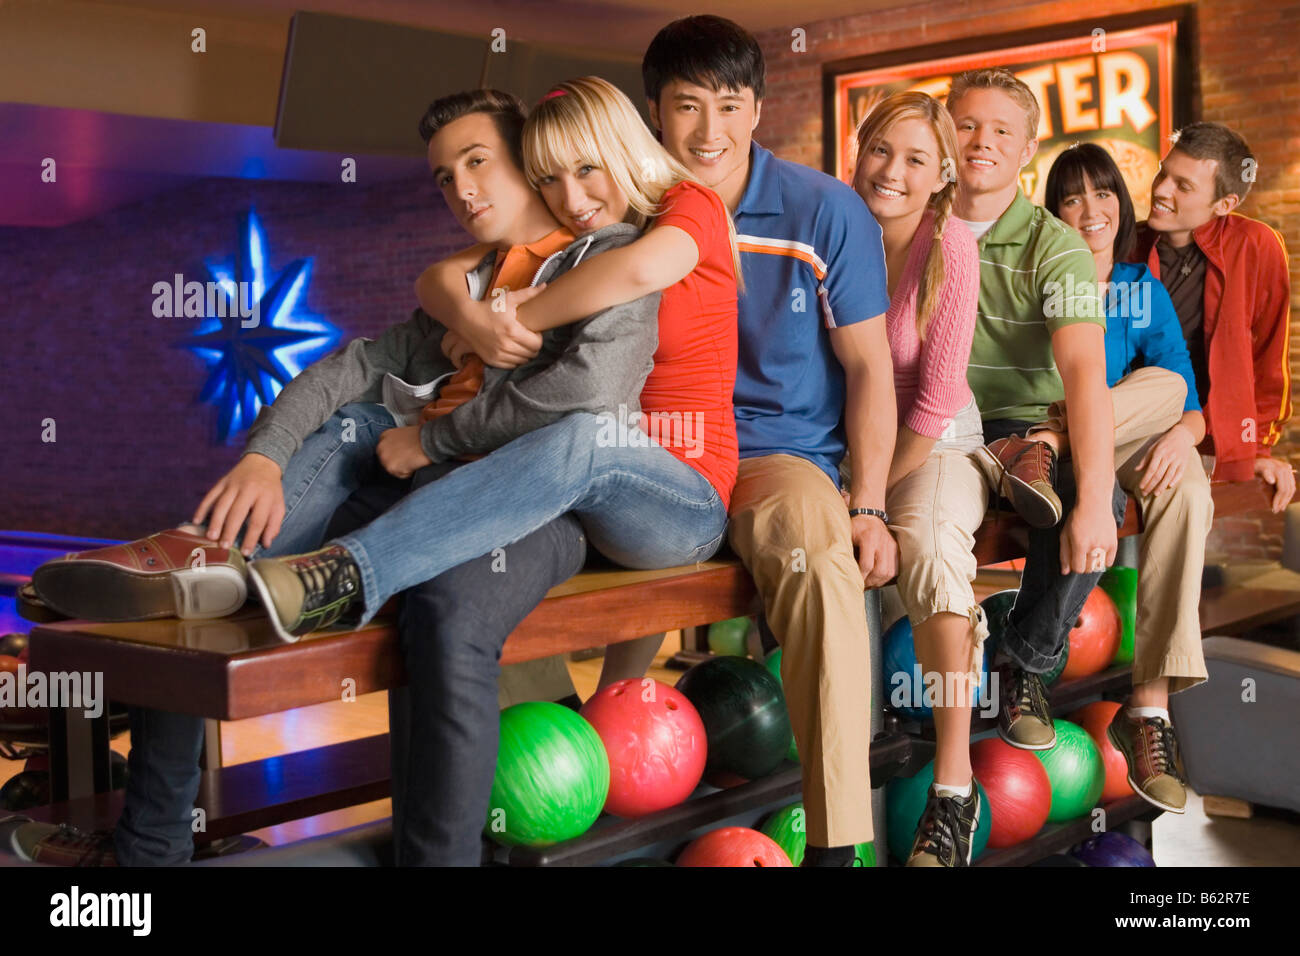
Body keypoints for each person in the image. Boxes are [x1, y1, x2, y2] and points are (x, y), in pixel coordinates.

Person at [14, 88, 663, 866]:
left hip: (520, 504)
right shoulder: (469, 286)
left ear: (527, 162)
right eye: (444, 176)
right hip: (416, 489)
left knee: (372, 472)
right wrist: (264, 457)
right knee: (198, 597)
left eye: (477, 162)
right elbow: (347, 367)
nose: (461, 189)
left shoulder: (602, 259)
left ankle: (216, 563)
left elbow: (588, 399)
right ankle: (155, 832)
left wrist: (433, 436)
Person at [247, 76, 739, 644]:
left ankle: (347, 575)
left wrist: (501, 323)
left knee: (587, 435)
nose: (572, 199)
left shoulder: (675, 210)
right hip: (580, 498)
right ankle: (232, 569)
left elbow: (630, 289)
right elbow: (429, 292)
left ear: (621, 150)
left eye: (587, 169)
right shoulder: (554, 253)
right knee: (363, 423)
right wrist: (469, 312)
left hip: (685, 500)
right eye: (549, 179)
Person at [649, 16, 895, 866]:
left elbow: (869, 368)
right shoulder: (632, 210)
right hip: (654, 453)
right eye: (687, 105)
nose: (708, 130)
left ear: (757, 109)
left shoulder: (824, 209)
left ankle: (835, 842)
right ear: (656, 113)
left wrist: (869, 504)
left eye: (729, 105)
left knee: (822, 567)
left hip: (773, 458)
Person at [946, 68, 1129, 756]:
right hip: (934, 425)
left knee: (1097, 499)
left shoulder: (1056, 246)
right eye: (967, 125)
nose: (981, 141)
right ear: (944, 134)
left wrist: (1096, 504)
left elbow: (1083, 373)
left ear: (1027, 150)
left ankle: (1022, 664)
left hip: (1023, 420)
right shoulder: (911, 228)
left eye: (1002, 130)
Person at [1044, 142, 1214, 812]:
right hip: (1052, 455)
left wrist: (1180, 435)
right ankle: (1149, 711)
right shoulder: (1042, 281)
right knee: (1157, 410)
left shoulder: (1140, 288)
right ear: (1055, 214)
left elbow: (1186, 401)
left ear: (1121, 202)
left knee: (1183, 469)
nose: (1091, 208)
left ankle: (1147, 709)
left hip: (1109, 435)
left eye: (1103, 192)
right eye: (1072, 197)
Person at [849, 91, 985, 864]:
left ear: (941, 177)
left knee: (929, 548)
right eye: (880, 149)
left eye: (915, 160)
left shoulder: (951, 246)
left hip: (934, 445)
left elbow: (934, 402)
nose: (891, 171)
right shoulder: (836, 230)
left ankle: (953, 788)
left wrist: (866, 493)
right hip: (848, 449)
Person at [1132, 121, 1294, 511]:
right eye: (1162, 173)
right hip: (1132, 432)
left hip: (1212, 441)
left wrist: (1259, 448)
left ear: (1225, 204)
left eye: (1183, 186)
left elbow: (1269, 358)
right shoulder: (1127, 244)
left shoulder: (1258, 245)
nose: (1161, 190)